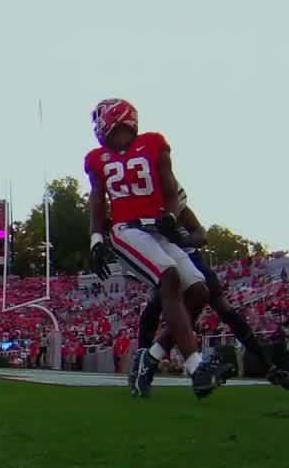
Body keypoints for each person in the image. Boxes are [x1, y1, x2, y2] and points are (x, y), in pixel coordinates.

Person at [85, 97, 226, 398]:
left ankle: (149, 359)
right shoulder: (96, 159)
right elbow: (97, 202)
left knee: (199, 291)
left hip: (158, 230)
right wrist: (96, 240)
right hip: (125, 229)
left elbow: (171, 188)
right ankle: (195, 366)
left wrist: (172, 219)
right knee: (170, 276)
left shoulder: (154, 144)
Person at [130, 187, 289, 390]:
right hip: (167, 260)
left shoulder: (179, 208)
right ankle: (143, 361)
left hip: (190, 258)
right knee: (156, 304)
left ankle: (269, 367)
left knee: (224, 310)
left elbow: (201, 235)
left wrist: (182, 239)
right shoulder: (145, 203)